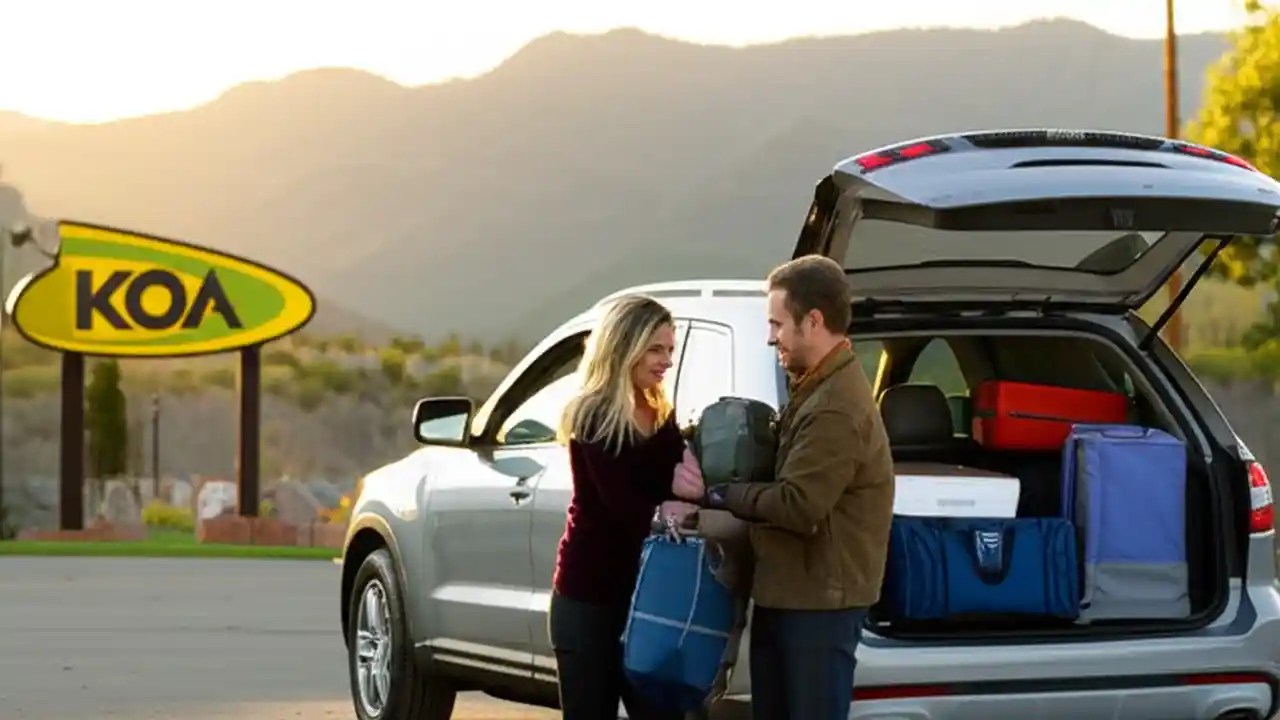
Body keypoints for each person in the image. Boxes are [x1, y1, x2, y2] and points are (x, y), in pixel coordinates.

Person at [672, 254, 896, 720]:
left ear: (813, 321)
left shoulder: (835, 406)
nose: (771, 336)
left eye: (777, 324)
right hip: (792, 594)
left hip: (817, 606)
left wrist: (720, 495)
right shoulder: (816, 388)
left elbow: (798, 504)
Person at [549, 294, 698, 720]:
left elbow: (680, 486)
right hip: (589, 599)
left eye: (670, 349)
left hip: (648, 596)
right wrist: (666, 504)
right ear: (623, 347)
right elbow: (621, 505)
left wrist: (688, 486)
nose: (667, 360)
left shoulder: (658, 409)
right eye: (656, 349)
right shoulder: (594, 414)